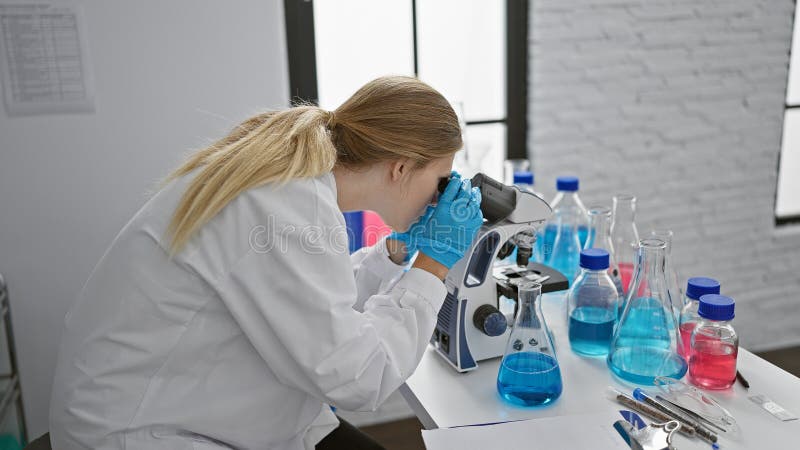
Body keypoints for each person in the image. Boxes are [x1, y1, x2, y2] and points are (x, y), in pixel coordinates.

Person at [48, 76, 484, 450]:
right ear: (401, 168)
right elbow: (359, 378)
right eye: (440, 180)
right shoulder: (290, 202)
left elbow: (309, 304)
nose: (438, 197)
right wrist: (433, 264)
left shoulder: (297, 177)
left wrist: (395, 253)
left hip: (206, 401)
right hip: (142, 429)